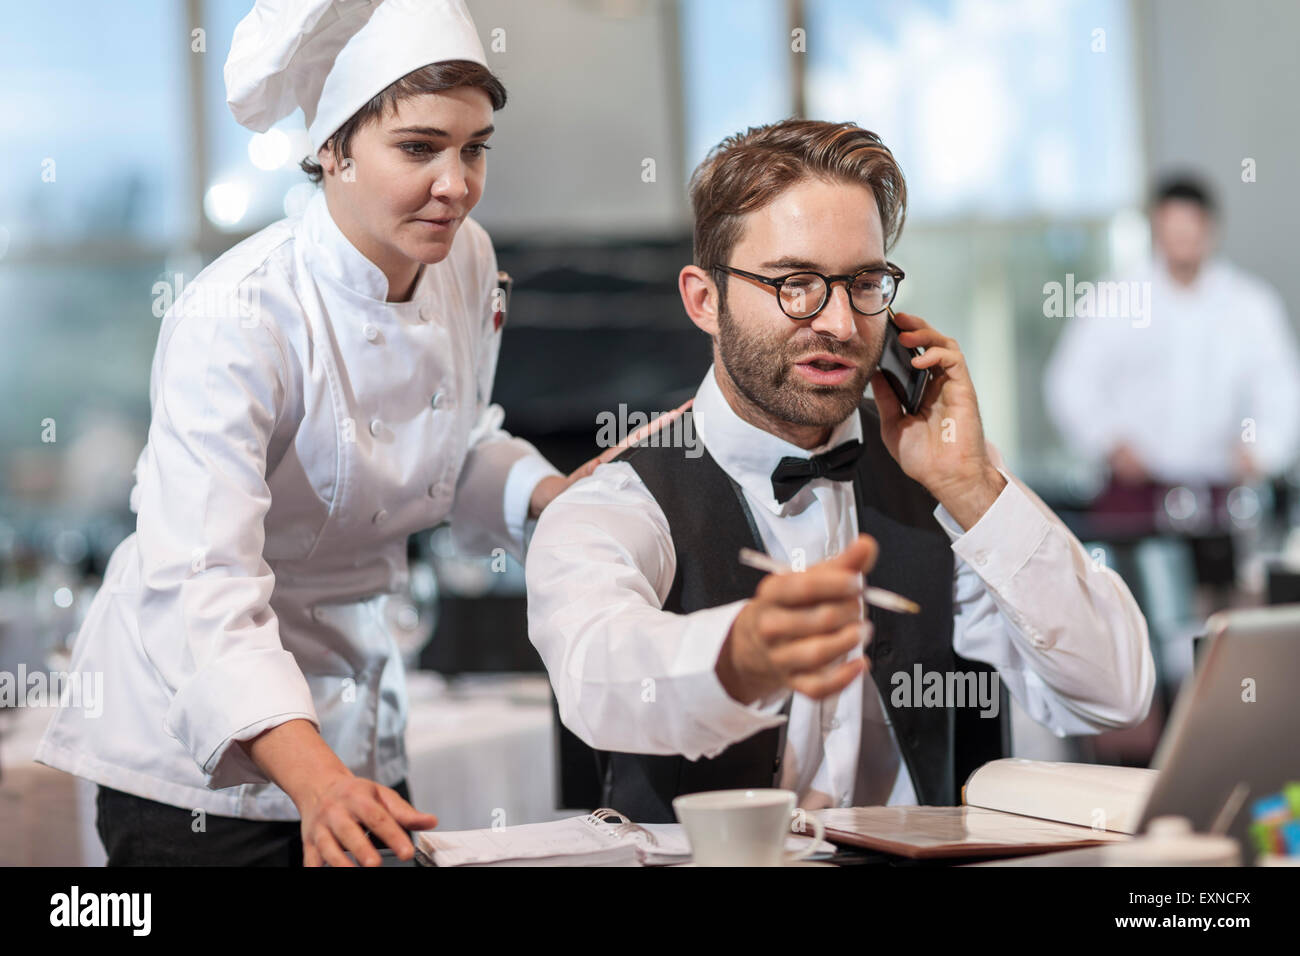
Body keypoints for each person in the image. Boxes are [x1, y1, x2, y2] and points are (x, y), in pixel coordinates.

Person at [36, 0, 576, 866]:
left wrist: (554, 500)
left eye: (474, 148)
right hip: (200, 767)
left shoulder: (464, 257)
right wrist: (315, 779)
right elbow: (202, 578)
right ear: (332, 150)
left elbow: (455, 445)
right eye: (418, 148)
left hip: (361, 731)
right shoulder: (239, 314)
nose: (456, 184)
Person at [526, 119, 1156, 822]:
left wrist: (976, 491)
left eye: (862, 282)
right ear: (705, 300)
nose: (837, 322)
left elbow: (1113, 694)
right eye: (795, 283)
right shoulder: (615, 500)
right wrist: (739, 655)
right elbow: (596, 671)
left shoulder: (943, 485)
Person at [1045, 175, 1300, 598]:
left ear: (1210, 229)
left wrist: (1263, 449)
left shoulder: (1251, 304)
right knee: (1131, 613)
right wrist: (1109, 441)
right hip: (1136, 496)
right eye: (1172, 228)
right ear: (1156, 229)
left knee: (1226, 616)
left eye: (1191, 228)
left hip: (1224, 499)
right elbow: (1070, 383)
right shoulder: (1115, 297)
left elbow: (1281, 389)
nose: (1182, 239)